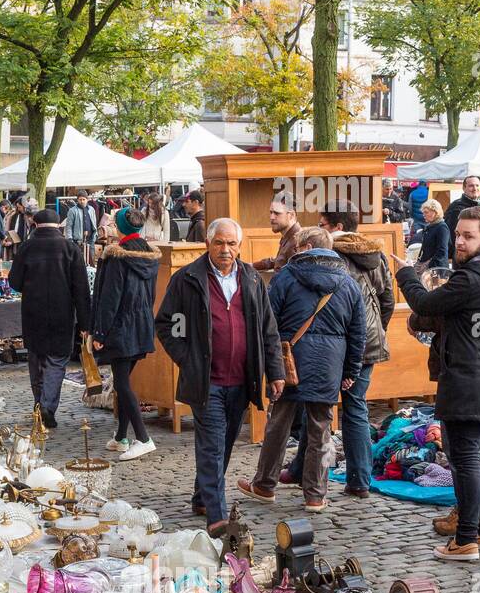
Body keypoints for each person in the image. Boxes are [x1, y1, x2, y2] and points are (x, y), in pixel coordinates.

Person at [390, 206, 480, 561]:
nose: (459, 242)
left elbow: (424, 300)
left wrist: (404, 273)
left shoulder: (471, 278)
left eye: (468, 236)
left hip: (467, 381)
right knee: (479, 460)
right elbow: (460, 318)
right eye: (458, 234)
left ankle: (465, 541)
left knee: (466, 462)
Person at [154, 218, 284, 533]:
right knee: (212, 444)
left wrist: (276, 371)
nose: (226, 250)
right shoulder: (188, 279)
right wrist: (187, 356)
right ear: (208, 244)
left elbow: (268, 330)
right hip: (206, 381)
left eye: (231, 244)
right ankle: (217, 516)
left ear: (239, 246)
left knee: (224, 444)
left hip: (242, 379)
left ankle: (202, 496)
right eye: (219, 243)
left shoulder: (252, 279)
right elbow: (170, 323)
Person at [238, 227, 365, 512]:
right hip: (329, 365)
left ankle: (265, 484)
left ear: (306, 246)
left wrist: (269, 364)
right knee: (321, 430)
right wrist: (350, 371)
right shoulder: (348, 283)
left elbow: (268, 322)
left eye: (297, 246)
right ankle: (315, 495)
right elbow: (358, 334)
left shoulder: (286, 276)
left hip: (289, 360)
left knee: (279, 425)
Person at [283, 203, 392, 498]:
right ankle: (359, 480)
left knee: (315, 405)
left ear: (335, 226)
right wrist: (374, 331)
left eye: (322, 223)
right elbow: (387, 299)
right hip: (366, 341)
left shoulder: (330, 254)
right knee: (355, 407)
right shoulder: (375, 253)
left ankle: (302, 471)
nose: (319, 228)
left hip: (332, 340)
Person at [5, 206, 89, 428]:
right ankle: (47, 406)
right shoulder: (70, 248)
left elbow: (14, 282)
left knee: (37, 359)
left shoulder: (27, 247)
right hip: (63, 312)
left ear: (34, 225)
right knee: (57, 361)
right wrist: (85, 322)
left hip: (33, 312)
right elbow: (82, 289)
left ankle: (40, 404)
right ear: (59, 226)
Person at [89, 206, 159, 457]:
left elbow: (110, 298)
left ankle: (143, 437)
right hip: (140, 324)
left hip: (121, 327)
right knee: (123, 382)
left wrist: (99, 333)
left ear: (118, 227)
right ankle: (121, 437)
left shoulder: (117, 257)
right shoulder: (149, 254)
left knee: (122, 383)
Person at [251, 194, 300, 272]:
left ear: (291, 215)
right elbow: (277, 261)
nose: (271, 217)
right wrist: (250, 266)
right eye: (271, 212)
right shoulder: (288, 238)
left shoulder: (297, 242)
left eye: (277, 213)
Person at [445, 175, 480, 258]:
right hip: (462, 253)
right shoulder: (456, 207)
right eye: (471, 186)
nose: (475, 188)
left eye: (477, 185)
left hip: (479, 252)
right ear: (464, 188)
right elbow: (452, 234)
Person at [417, 198, 450, 271]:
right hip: (429, 268)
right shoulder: (429, 226)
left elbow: (442, 251)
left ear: (435, 212)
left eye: (426, 212)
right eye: (423, 213)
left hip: (437, 269)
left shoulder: (442, 227)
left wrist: (428, 264)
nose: (424, 215)